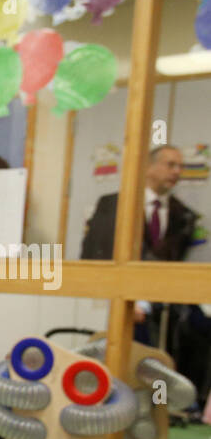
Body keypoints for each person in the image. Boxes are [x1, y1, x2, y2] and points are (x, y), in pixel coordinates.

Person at [80, 145, 200, 345]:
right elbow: (94, 256)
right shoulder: (111, 206)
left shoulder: (184, 216)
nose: (177, 171)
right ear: (148, 167)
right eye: (170, 165)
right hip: (113, 306)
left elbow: (172, 266)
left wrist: (146, 303)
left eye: (180, 166)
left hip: (162, 314)